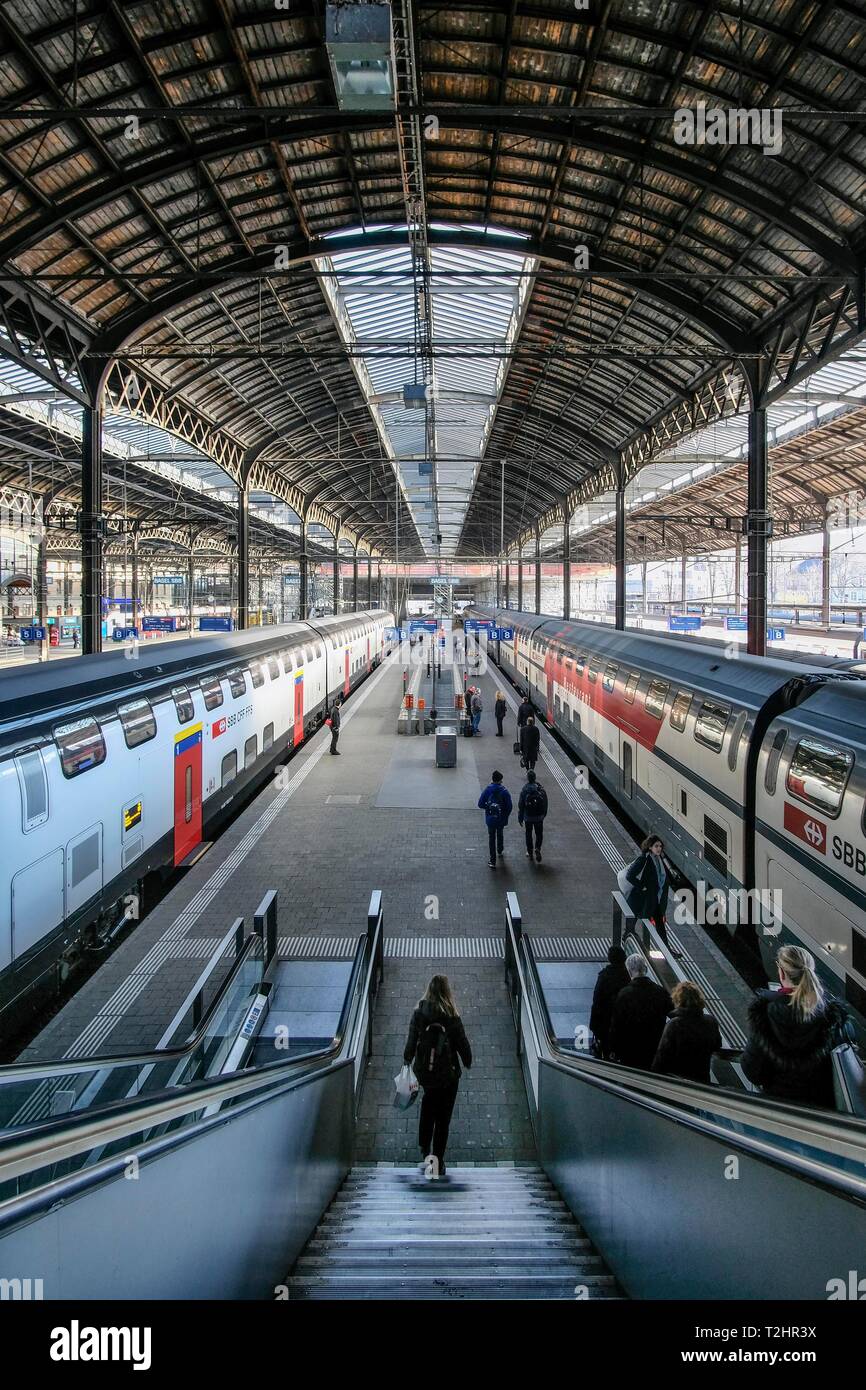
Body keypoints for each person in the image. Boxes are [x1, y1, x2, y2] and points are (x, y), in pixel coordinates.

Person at [741, 945, 852, 1109]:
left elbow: (752, 1070)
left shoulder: (765, 1015)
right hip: (821, 1110)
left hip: (778, 1105)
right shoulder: (834, 1018)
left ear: (782, 973)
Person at [403, 975, 472, 1179]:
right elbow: (463, 1044)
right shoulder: (451, 1016)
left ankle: (425, 1148)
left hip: (427, 1073)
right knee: (443, 1119)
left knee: (429, 1105)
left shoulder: (419, 1014)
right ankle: (437, 1162)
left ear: (429, 990)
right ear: (447, 992)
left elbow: (411, 1041)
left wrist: (407, 1060)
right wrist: (467, 1060)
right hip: (449, 1076)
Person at [609, 954, 672, 1069]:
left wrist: (614, 1048)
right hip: (655, 1045)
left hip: (630, 1048)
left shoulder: (624, 994)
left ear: (629, 971)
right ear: (646, 969)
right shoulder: (660, 991)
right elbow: (673, 1012)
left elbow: (617, 1024)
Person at [652, 981, 722, 1083]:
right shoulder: (711, 1021)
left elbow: (661, 1059)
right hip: (703, 1080)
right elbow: (717, 1045)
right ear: (699, 999)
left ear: (678, 1000)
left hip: (678, 1082)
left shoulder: (674, 1025)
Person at [624, 833, 678, 956]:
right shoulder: (644, 859)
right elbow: (630, 875)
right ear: (650, 847)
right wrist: (642, 887)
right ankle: (626, 940)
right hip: (641, 898)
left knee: (659, 925)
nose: (659, 848)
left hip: (653, 899)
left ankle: (667, 950)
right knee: (633, 922)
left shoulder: (658, 860)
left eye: (660, 846)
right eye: (656, 846)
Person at [589, 945, 631, 1058]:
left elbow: (597, 1000)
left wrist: (594, 1026)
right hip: (624, 1024)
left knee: (605, 1050)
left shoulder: (604, 976)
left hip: (606, 1023)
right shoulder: (628, 977)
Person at [478, 770, 513, 869]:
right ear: (500, 780)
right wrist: (505, 815)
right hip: (501, 818)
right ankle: (500, 849)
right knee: (500, 832)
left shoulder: (487, 790)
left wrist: (488, 807)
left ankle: (492, 860)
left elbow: (480, 804)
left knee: (491, 837)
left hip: (490, 819)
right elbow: (509, 806)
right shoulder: (505, 792)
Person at [518, 769, 548, 863]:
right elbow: (545, 803)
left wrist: (520, 817)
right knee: (539, 833)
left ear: (527, 778)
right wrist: (543, 814)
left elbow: (521, 805)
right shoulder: (540, 789)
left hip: (528, 816)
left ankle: (530, 852)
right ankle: (537, 848)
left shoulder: (524, 789)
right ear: (535, 778)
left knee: (528, 833)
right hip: (539, 816)